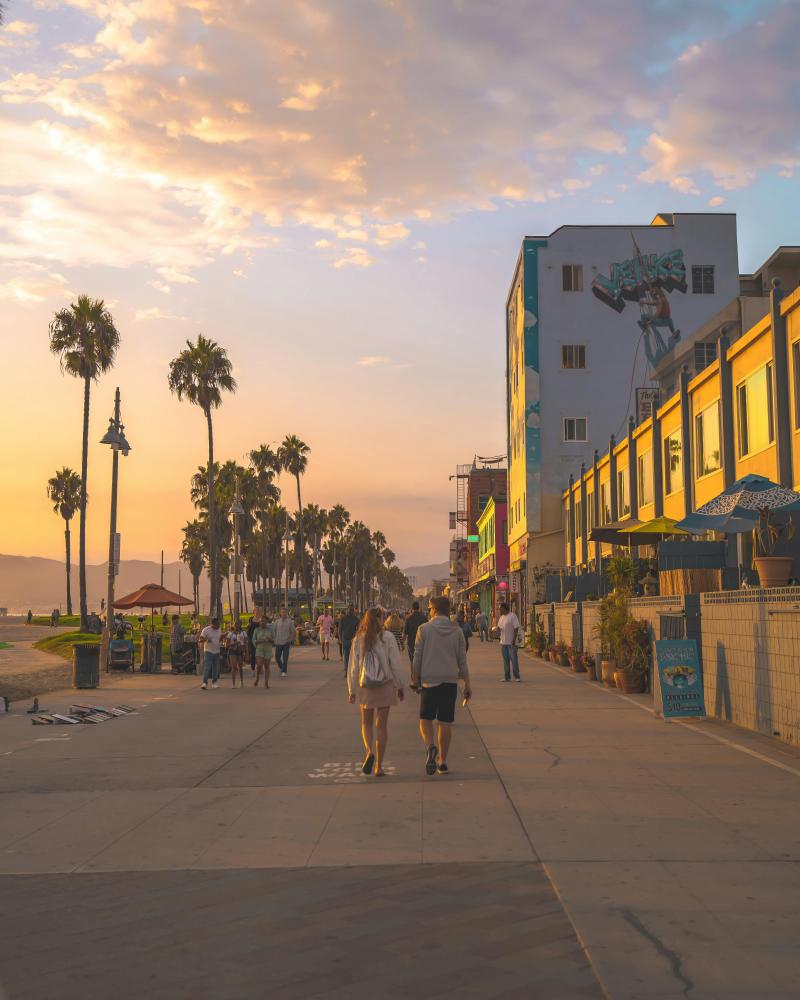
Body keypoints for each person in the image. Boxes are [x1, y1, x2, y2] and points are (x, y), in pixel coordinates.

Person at [411, 596, 471, 776]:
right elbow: (462, 660)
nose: (428, 611)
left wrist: (415, 679)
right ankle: (442, 762)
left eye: (429, 608)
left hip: (429, 681)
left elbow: (417, 658)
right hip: (450, 681)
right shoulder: (457, 631)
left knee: (425, 719)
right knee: (445, 722)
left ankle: (430, 746)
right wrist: (467, 684)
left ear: (435, 610)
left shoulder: (424, 629)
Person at [347, 606, 405, 777]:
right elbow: (395, 663)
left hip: (366, 686)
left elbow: (353, 667)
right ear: (380, 620)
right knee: (382, 726)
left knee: (366, 723)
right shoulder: (387, 637)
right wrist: (400, 685)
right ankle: (379, 766)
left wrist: (352, 689)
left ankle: (369, 751)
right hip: (385, 685)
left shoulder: (358, 639)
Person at [498, 602, 521, 682]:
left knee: (514, 660)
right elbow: (500, 628)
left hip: (511, 643)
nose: (499, 610)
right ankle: (507, 677)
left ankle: (517, 676)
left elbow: (516, 628)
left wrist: (514, 640)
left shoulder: (512, 616)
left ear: (504, 609)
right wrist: (496, 630)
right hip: (503, 642)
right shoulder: (501, 618)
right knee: (506, 661)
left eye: (500, 609)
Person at [199, 616, 223, 690]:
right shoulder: (206, 630)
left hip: (217, 651)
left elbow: (219, 639)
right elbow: (200, 639)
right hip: (208, 651)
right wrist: (206, 639)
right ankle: (204, 683)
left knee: (216, 668)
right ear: (212, 624)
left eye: (219, 624)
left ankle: (214, 682)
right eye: (217, 624)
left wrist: (223, 637)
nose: (218, 626)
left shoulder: (219, 629)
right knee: (207, 667)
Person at [252, 615, 275, 688]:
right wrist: (258, 641)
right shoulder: (257, 630)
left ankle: (266, 682)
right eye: (261, 621)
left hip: (268, 649)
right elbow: (253, 640)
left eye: (264, 621)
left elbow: (274, 640)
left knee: (267, 666)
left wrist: (270, 639)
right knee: (259, 665)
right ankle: (257, 678)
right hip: (259, 649)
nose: (262, 622)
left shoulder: (270, 630)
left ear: (267, 622)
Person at [338, 604, 360, 677]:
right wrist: (340, 639)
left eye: (352, 610)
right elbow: (340, 629)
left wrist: (357, 638)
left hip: (353, 641)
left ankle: (353, 671)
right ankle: (346, 672)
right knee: (346, 657)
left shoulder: (356, 619)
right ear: (347, 610)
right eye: (349, 609)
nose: (350, 611)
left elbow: (359, 629)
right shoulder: (343, 618)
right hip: (345, 640)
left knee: (354, 657)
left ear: (353, 610)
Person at [273, 606, 294, 677]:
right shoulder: (277, 622)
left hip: (286, 642)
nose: (283, 613)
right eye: (282, 612)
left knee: (285, 658)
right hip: (278, 642)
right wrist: (273, 639)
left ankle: (284, 671)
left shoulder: (289, 621)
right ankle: (282, 667)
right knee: (277, 657)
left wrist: (290, 639)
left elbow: (293, 631)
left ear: (286, 613)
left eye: (285, 612)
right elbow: (273, 631)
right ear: (280, 613)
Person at [226, 620, 247, 688]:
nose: (237, 626)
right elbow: (227, 645)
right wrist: (234, 643)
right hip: (232, 650)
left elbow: (245, 643)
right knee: (234, 667)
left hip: (240, 650)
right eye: (235, 624)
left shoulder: (243, 633)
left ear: (240, 625)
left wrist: (246, 653)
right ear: (233, 625)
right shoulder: (230, 634)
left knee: (240, 667)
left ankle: (241, 681)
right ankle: (233, 683)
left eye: (238, 624)